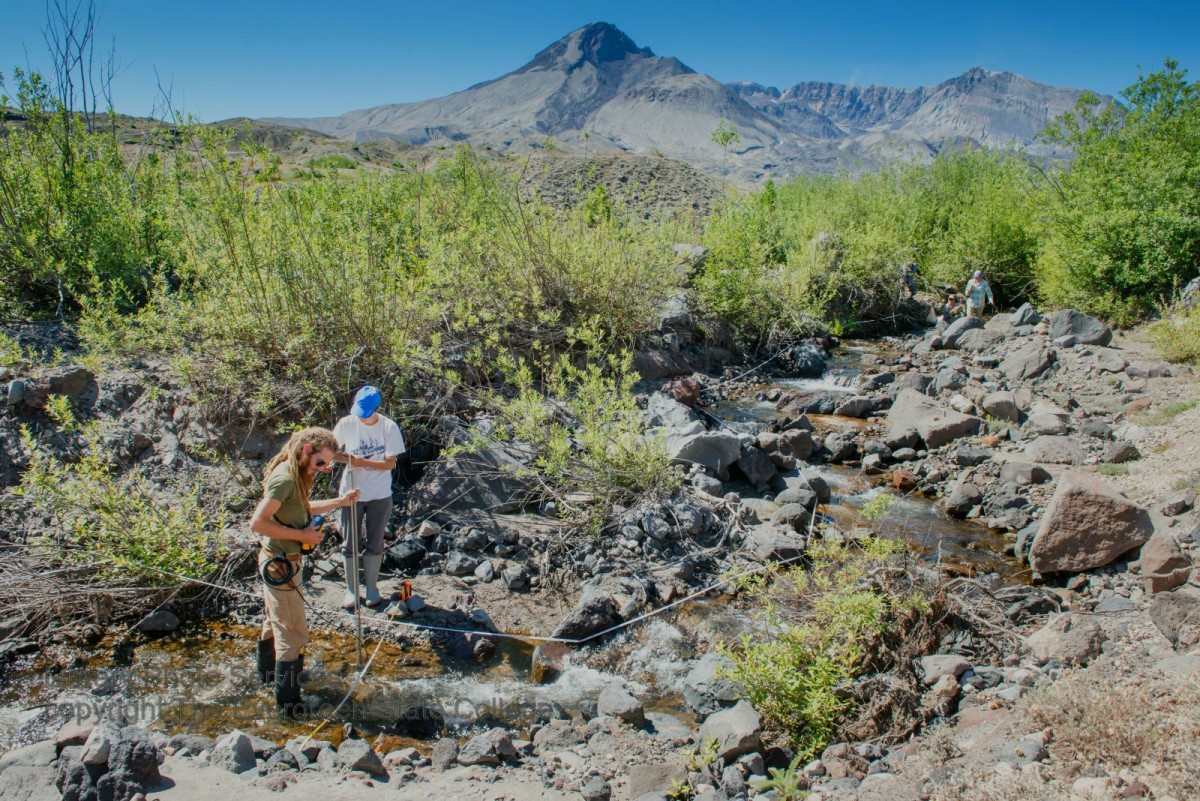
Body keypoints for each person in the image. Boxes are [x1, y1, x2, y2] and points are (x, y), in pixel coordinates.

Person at [251, 427, 359, 716]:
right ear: (306, 450)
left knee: (274, 622)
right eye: (321, 463)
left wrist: (340, 502)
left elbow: (302, 508)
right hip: (279, 563)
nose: (324, 470)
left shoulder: (296, 475)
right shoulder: (285, 479)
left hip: (282, 560)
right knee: (293, 633)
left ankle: (269, 680)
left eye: (329, 464)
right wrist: (303, 536)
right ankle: (289, 706)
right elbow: (257, 523)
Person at [333, 386, 406, 610]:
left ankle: (372, 588)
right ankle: (351, 590)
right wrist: (347, 459)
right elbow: (333, 452)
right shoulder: (346, 423)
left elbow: (389, 464)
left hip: (380, 493)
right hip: (351, 493)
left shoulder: (388, 427)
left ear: (377, 408)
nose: (362, 417)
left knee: (375, 541)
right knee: (350, 542)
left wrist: (360, 461)